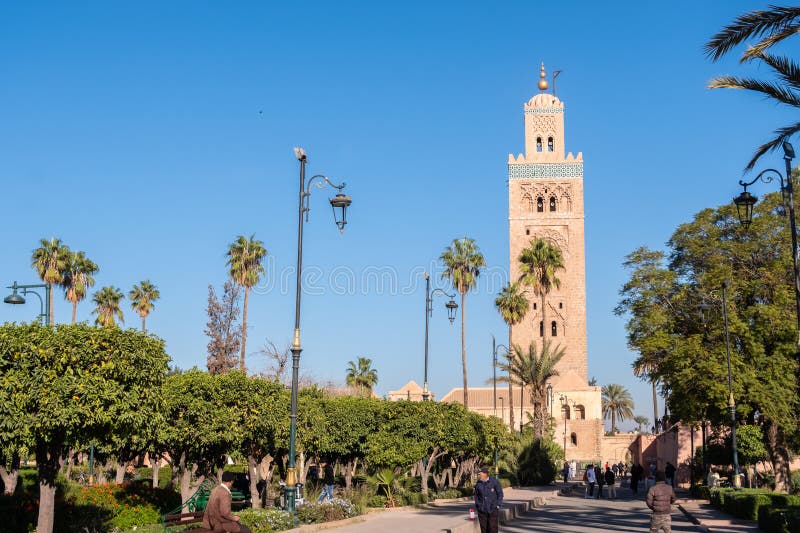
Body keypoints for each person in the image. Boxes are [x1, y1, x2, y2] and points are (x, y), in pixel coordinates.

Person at [474, 466, 503, 533]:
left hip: (493, 509)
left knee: (492, 528)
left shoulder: (494, 482)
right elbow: (476, 496)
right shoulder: (478, 484)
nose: (478, 475)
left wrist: (497, 505)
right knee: (484, 529)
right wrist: (478, 505)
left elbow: (500, 494)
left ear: (485, 474)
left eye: (479, 474)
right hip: (482, 510)